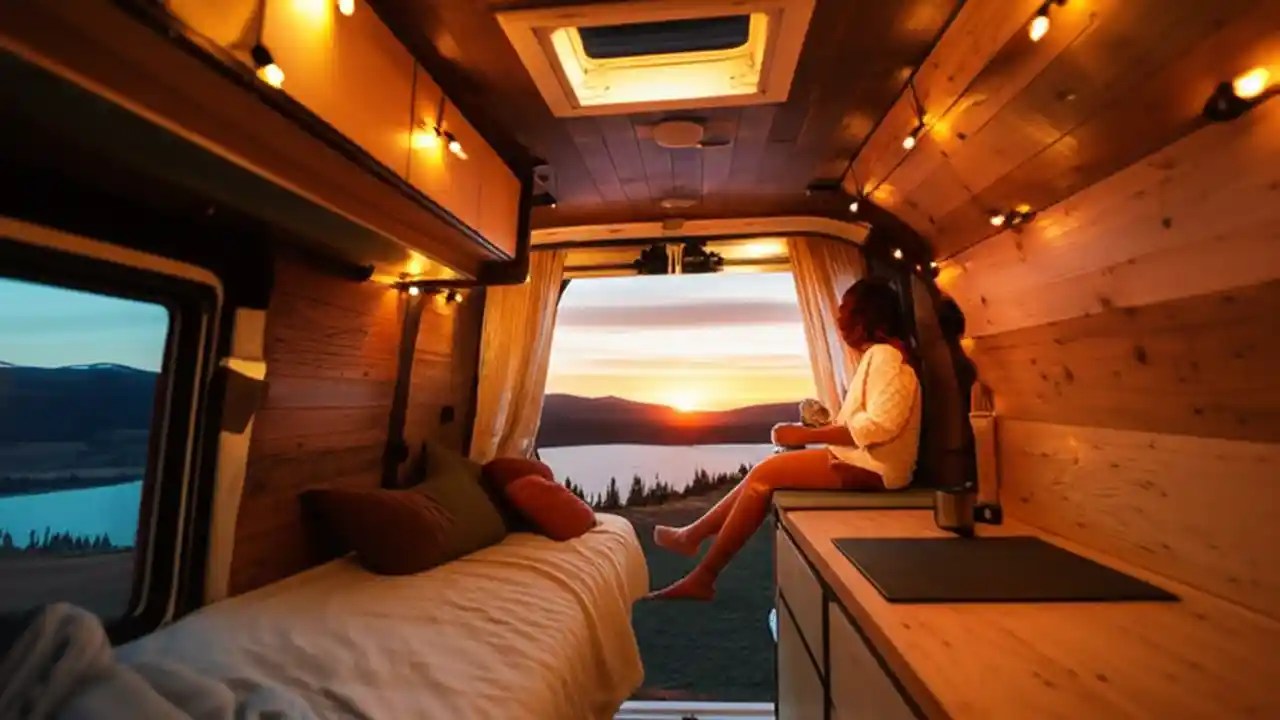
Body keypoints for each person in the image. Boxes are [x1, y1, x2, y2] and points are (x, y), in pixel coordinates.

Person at [648, 277, 923, 600]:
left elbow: (880, 426)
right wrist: (817, 429)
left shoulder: (886, 357)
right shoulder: (879, 357)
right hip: (867, 459)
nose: (838, 319)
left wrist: (807, 434)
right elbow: (866, 423)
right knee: (768, 470)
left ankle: (703, 573)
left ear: (865, 316)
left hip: (877, 469)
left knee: (767, 474)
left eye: (845, 310)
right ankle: (692, 539)